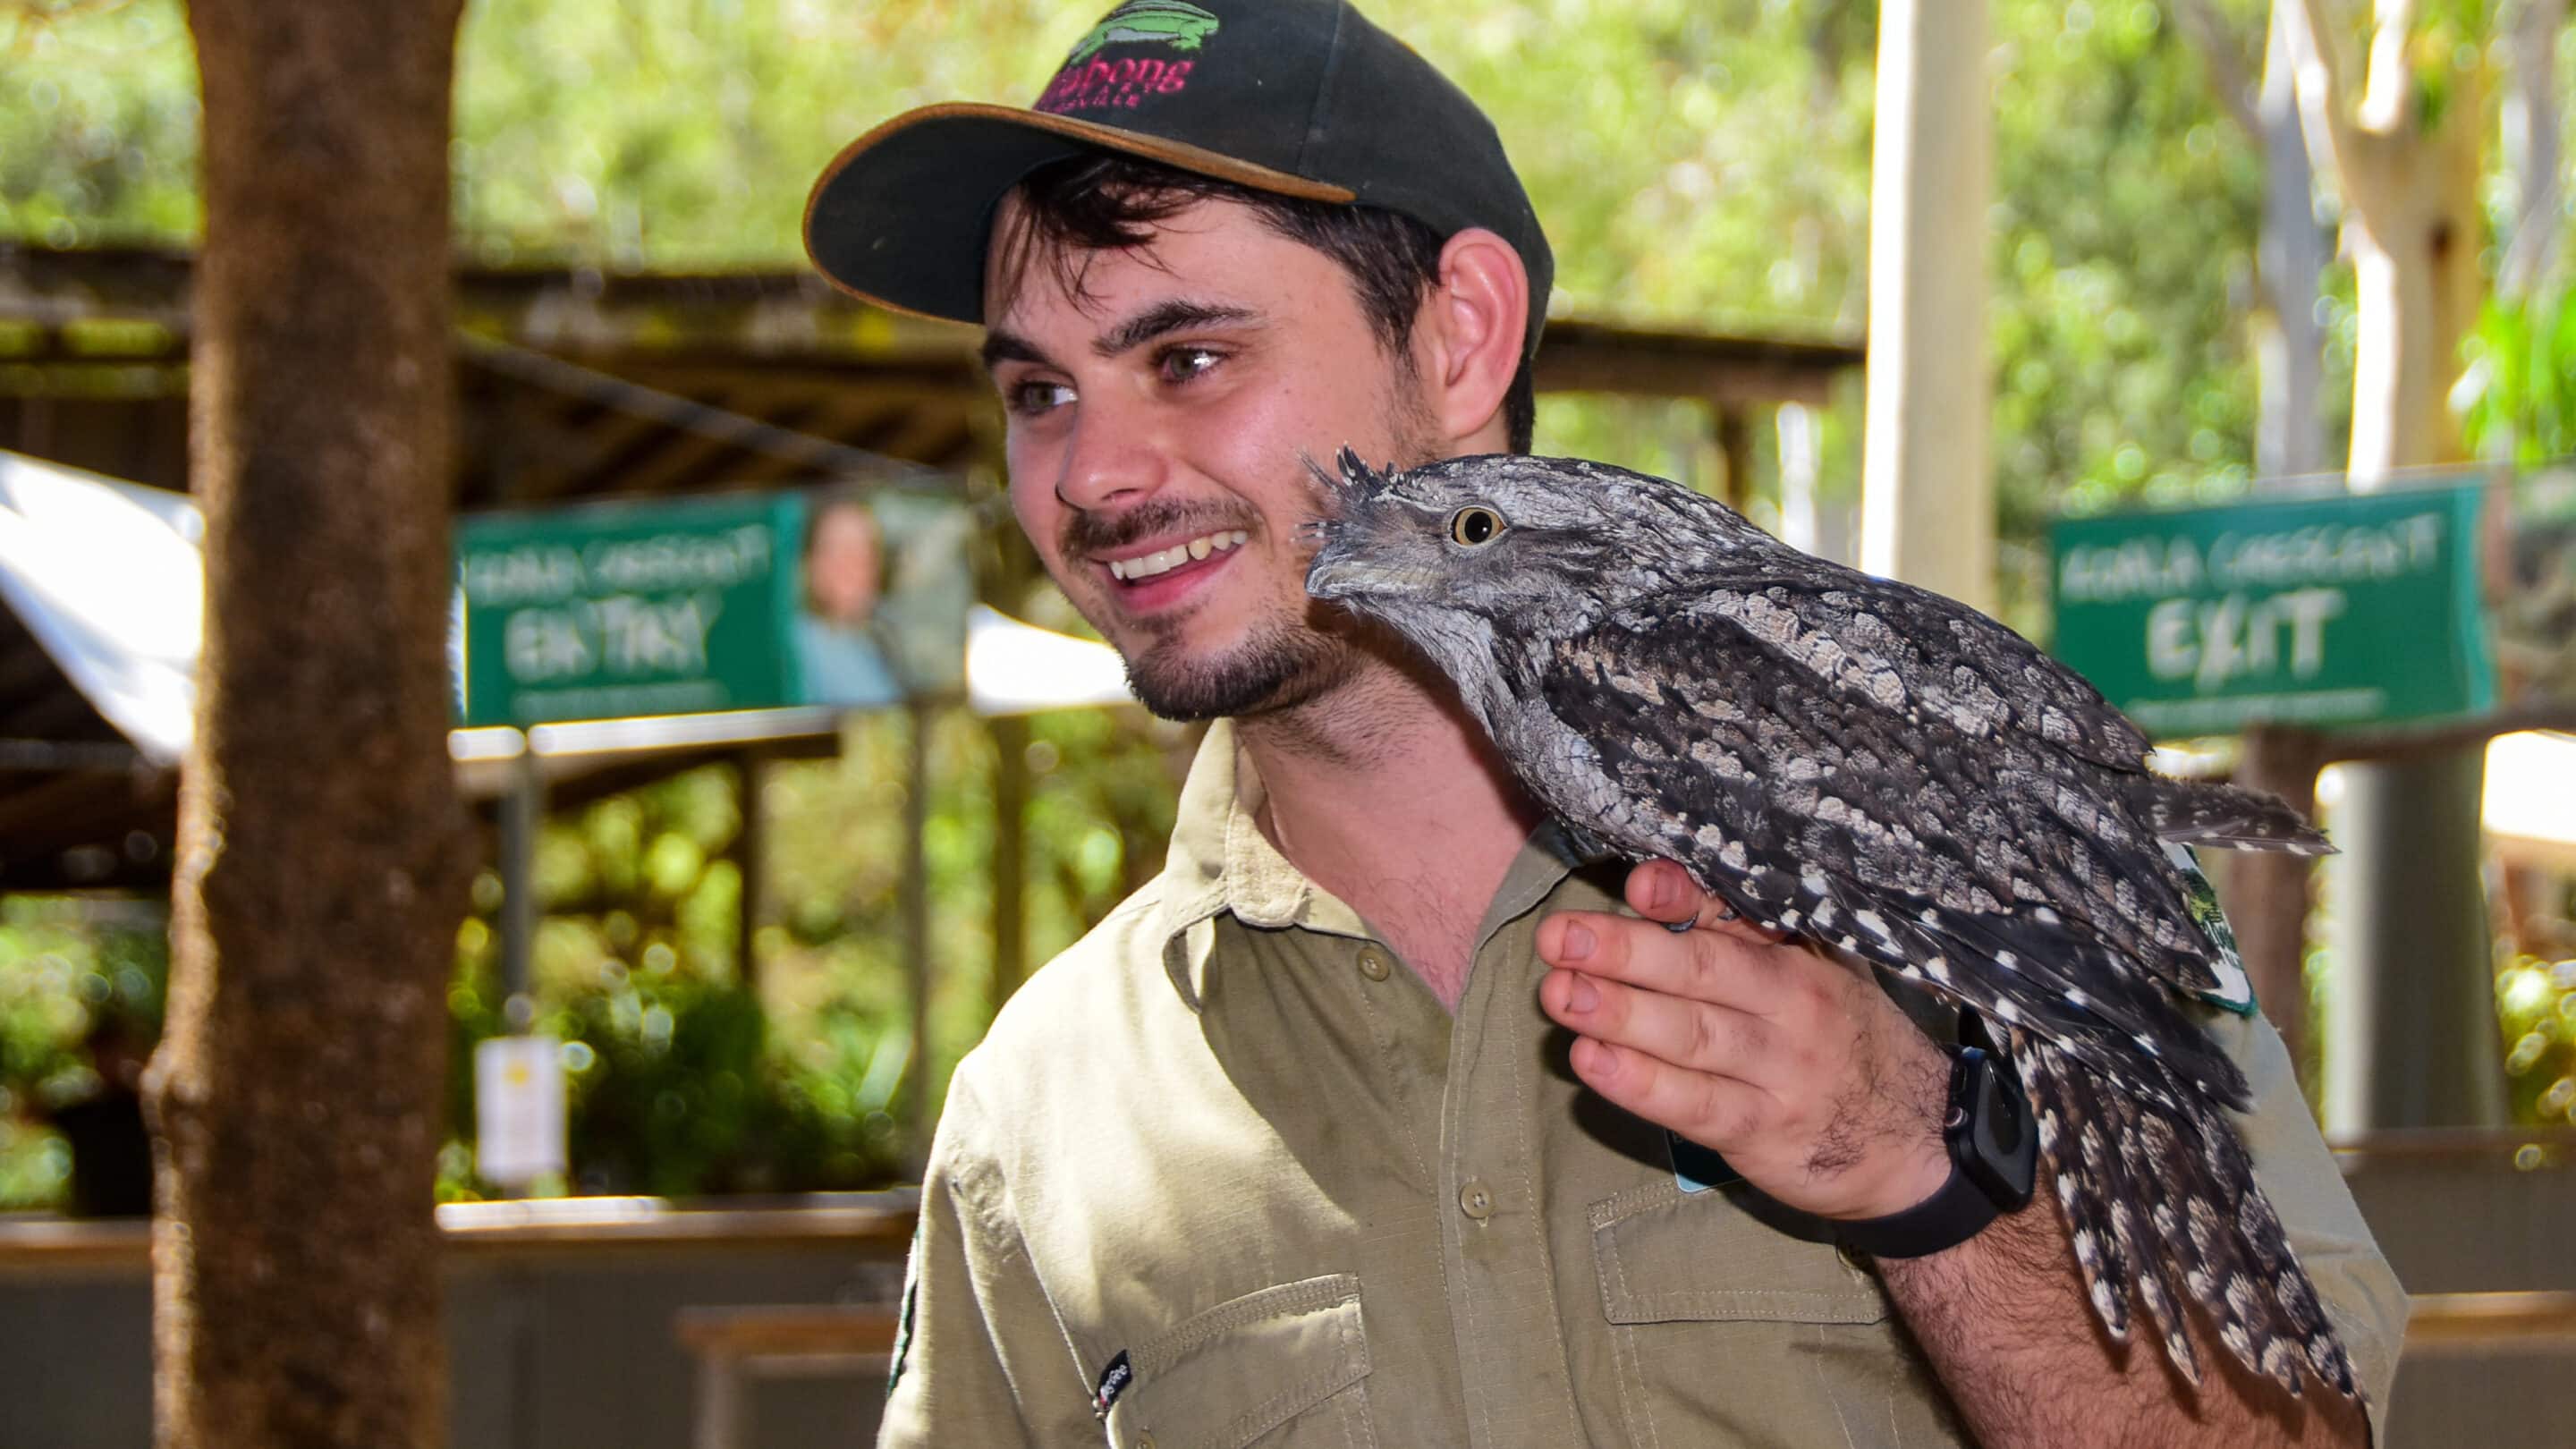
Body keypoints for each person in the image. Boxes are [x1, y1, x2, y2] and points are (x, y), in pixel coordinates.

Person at [805, 3, 2404, 1444]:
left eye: (1190, 354)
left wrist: (1927, 1165)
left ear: (1460, 337)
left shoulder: (1923, 820)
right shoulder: (1044, 1115)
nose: (1092, 471)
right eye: (1037, 393)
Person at [793, 496, 905, 708]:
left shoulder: (873, 637)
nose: (857, 563)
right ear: (811, 565)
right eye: (839, 549)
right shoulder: (804, 645)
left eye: (866, 548)